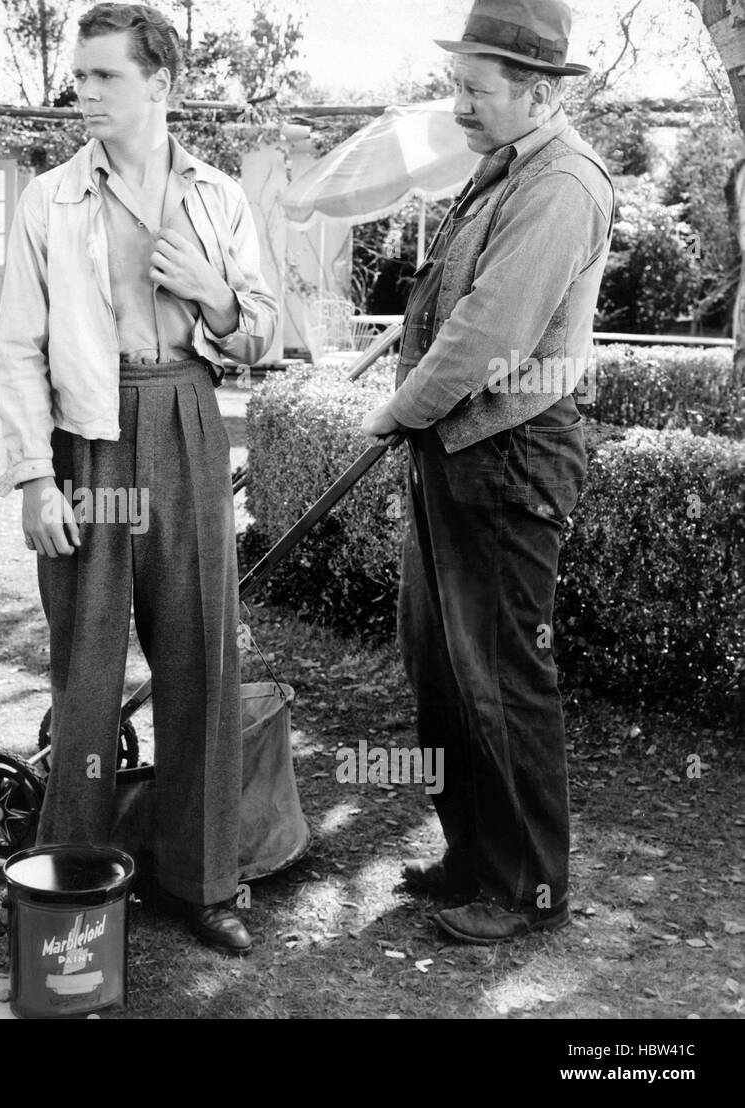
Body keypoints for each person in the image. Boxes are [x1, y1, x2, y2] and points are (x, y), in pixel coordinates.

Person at [0, 2, 278, 955]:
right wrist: (35, 478)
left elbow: (264, 331)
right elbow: (18, 347)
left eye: (105, 77)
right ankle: (66, 882)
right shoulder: (48, 198)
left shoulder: (220, 198)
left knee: (202, 656)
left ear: (161, 85)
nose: (86, 95)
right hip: (88, 435)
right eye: (80, 79)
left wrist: (215, 292)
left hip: (187, 421)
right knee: (85, 670)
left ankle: (202, 882)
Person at [359, 0, 614, 944]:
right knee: (442, 670)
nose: (458, 104)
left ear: (537, 91)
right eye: (457, 83)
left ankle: (526, 890)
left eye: (476, 89)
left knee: (503, 675)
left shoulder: (562, 183)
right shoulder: (500, 169)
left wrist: (401, 409)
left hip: (509, 461)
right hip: (452, 455)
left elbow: (494, 333)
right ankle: (472, 856)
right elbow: (452, 302)